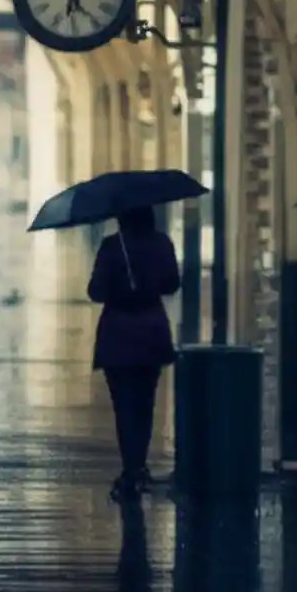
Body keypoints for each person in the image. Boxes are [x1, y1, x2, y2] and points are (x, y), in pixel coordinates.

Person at [87, 205, 181, 500]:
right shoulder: (162, 243)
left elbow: (96, 291)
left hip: (118, 334)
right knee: (145, 403)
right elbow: (172, 284)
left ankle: (130, 468)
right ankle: (138, 466)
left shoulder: (113, 246)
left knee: (123, 406)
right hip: (151, 331)